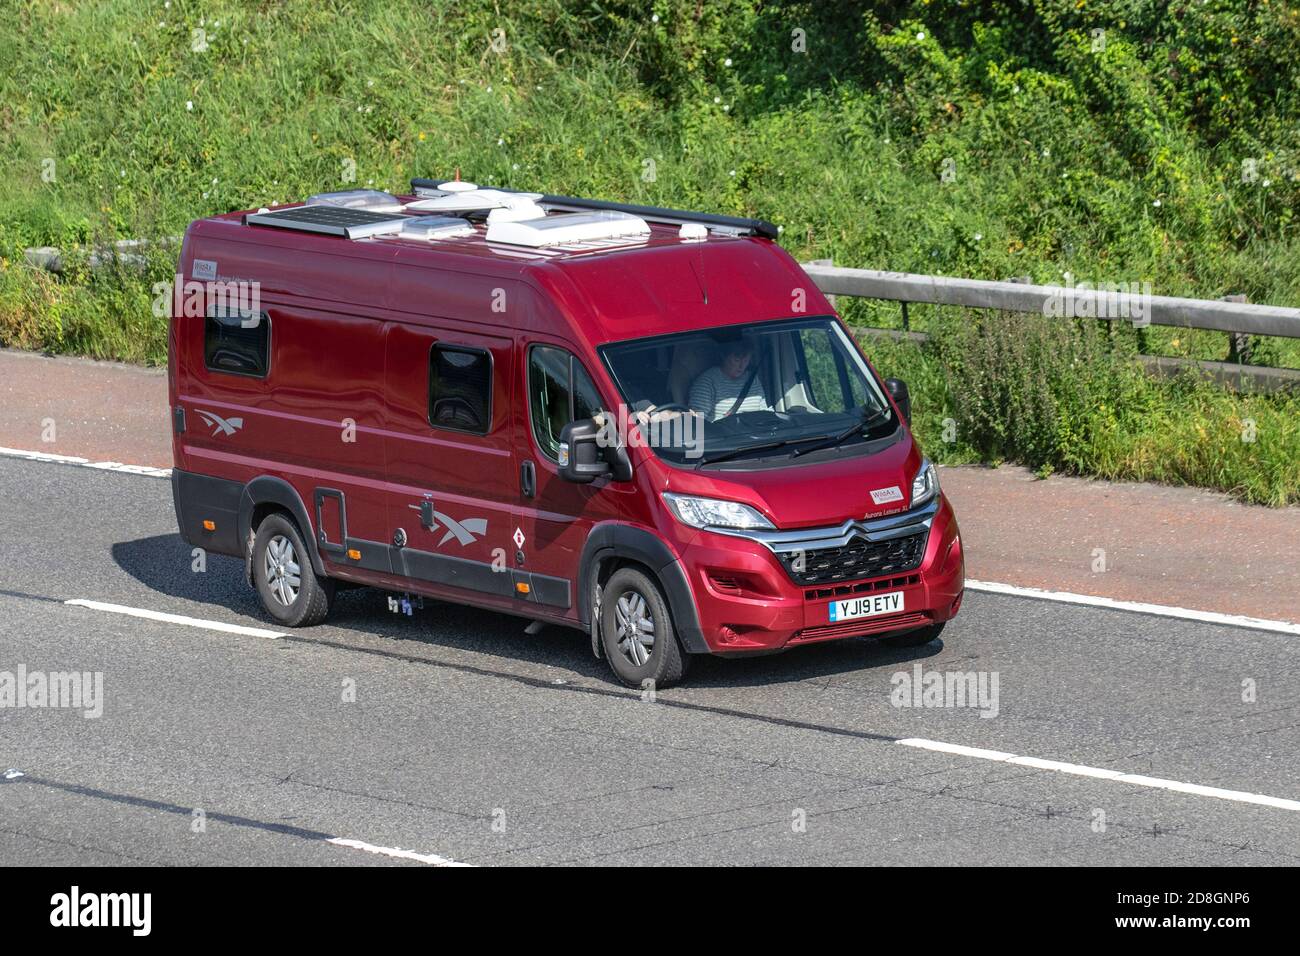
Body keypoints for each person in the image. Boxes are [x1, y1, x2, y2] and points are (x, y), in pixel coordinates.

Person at [688, 339, 771, 421]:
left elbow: (765, 412)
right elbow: (695, 422)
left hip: (755, 431)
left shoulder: (752, 379)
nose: (742, 366)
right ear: (724, 356)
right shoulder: (707, 381)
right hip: (722, 433)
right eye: (737, 360)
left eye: (746, 360)